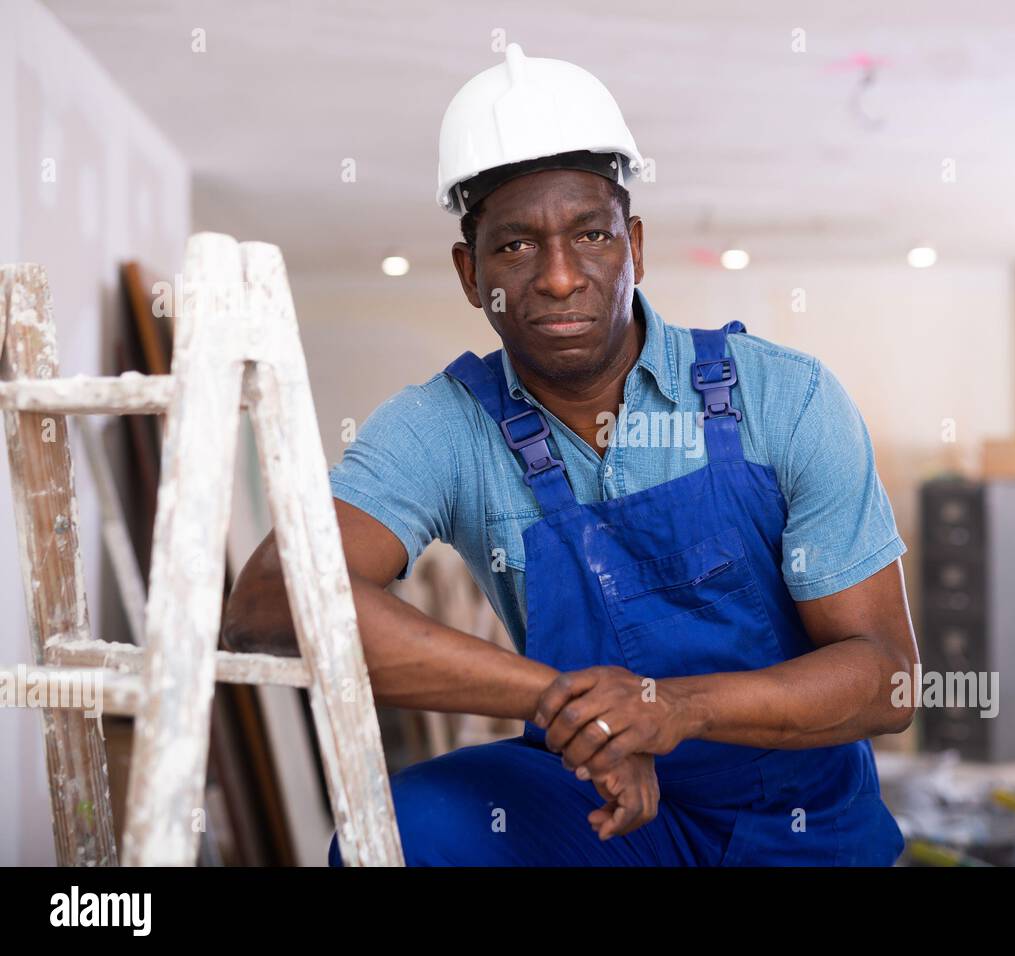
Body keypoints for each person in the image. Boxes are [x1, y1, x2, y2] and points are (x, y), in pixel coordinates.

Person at [222, 43, 919, 866]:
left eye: (591, 233)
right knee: (410, 833)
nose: (558, 277)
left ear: (636, 246)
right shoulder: (445, 428)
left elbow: (885, 678)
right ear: (467, 270)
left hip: (806, 825)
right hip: (599, 805)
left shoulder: (782, 399)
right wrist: (573, 706)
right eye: (515, 246)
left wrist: (675, 709)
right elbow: (272, 601)